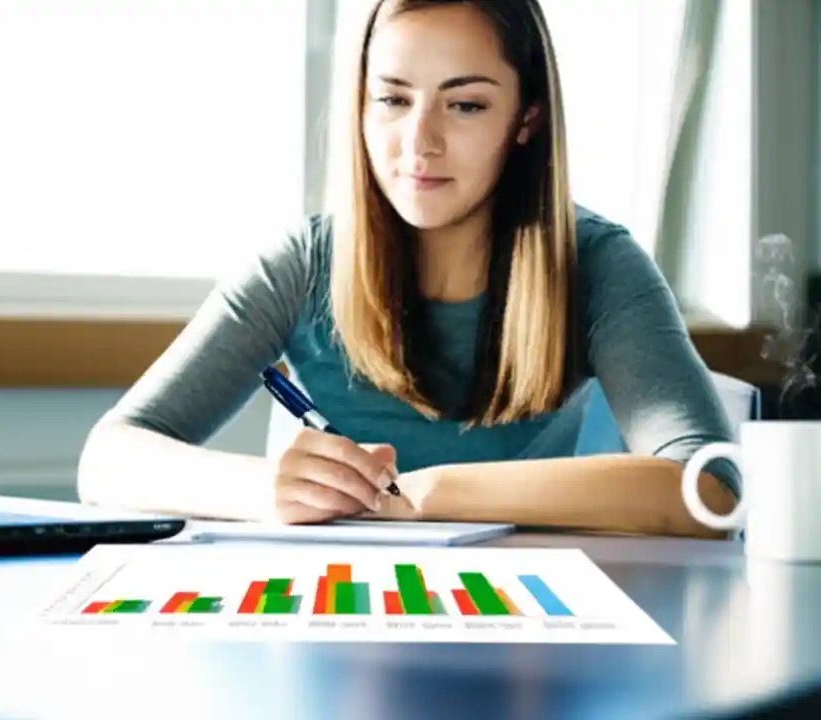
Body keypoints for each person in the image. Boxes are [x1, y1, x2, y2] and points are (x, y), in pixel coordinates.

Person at [76, 0, 739, 537]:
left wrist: (432, 491)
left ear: (527, 118)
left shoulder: (599, 264)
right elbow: (108, 459)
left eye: (466, 104)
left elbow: (711, 487)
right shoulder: (302, 263)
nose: (419, 143)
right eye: (392, 100)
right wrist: (263, 485)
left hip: (522, 639)